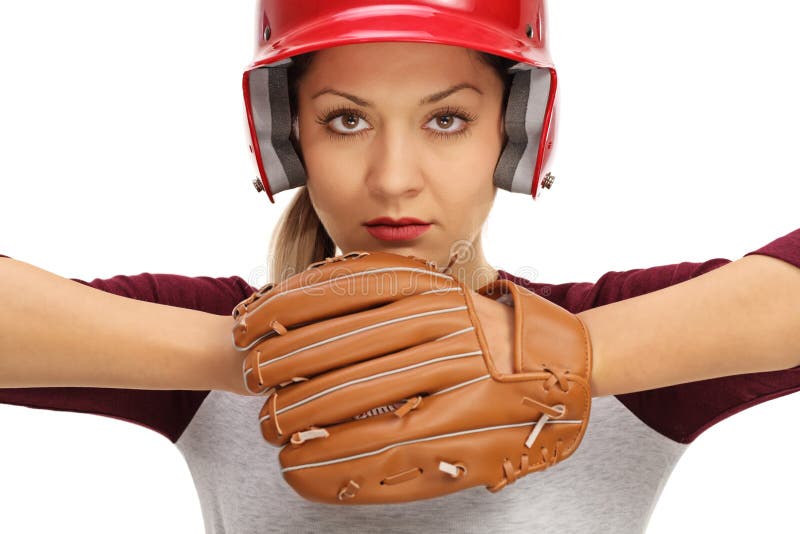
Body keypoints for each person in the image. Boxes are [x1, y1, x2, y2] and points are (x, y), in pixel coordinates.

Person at [1, 1, 799, 532]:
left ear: (515, 138)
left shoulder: (635, 338)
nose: (391, 178)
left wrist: (552, 356)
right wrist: (272, 355)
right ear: (289, 142)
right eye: (345, 120)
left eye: (447, 119)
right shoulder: (214, 333)